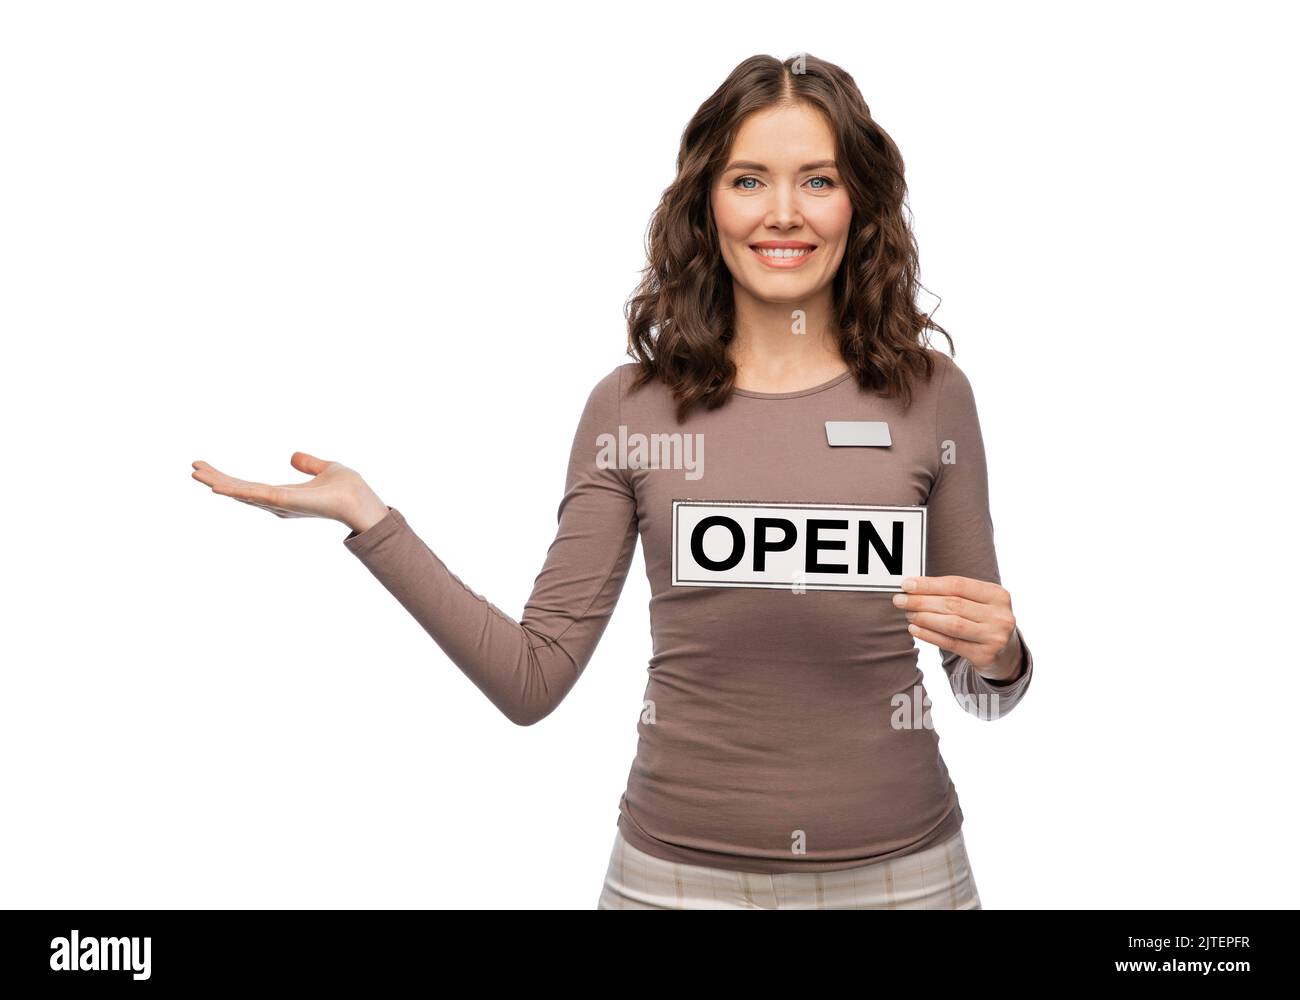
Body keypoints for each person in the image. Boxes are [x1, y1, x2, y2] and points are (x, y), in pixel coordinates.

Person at [192, 52, 1033, 910]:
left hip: (905, 880)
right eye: (750, 180)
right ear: (707, 202)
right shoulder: (633, 409)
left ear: (859, 201)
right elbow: (532, 679)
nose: (783, 214)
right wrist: (369, 519)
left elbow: (980, 685)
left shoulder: (930, 397)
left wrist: (1002, 659)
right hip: (673, 885)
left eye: (817, 180)